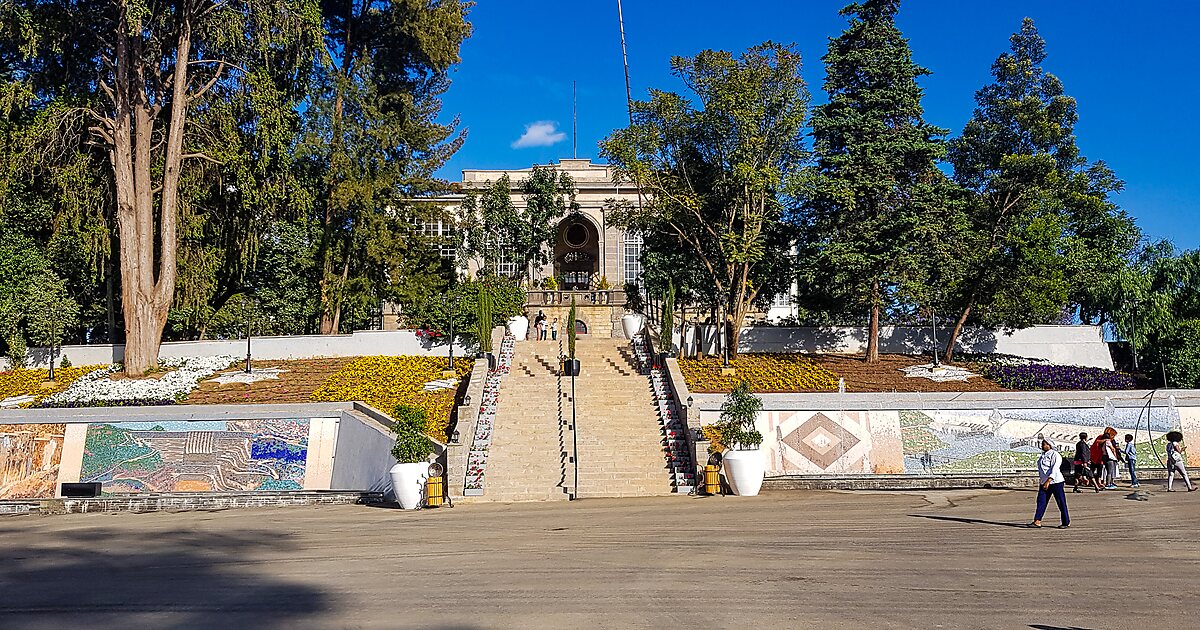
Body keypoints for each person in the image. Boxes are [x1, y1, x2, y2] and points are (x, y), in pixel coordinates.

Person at [1029, 439, 1070, 529]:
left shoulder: (1055, 454)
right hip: (1044, 482)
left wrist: (1049, 480)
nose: (1042, 446)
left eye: (1044, 444)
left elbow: (1055, 468)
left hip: (1055, 482)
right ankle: (1037, 520)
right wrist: (1043, 481)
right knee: (1041, 501)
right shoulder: (1042, 456)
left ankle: (1065, 522)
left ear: (1049, 445)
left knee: (1060, 502)